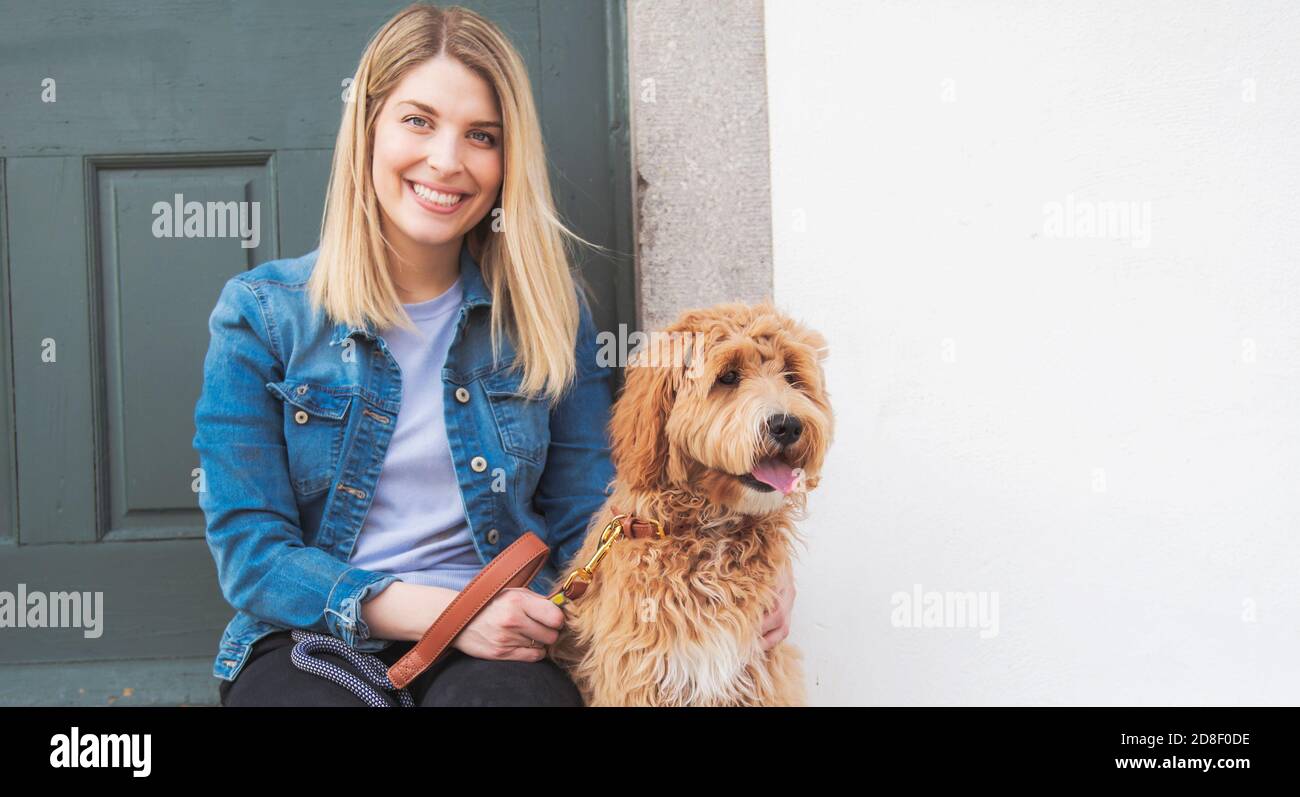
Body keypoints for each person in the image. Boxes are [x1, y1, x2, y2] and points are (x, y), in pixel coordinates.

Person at [192, 2, 795, 707]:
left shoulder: (545, 313)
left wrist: (744, 566)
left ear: (509, 160)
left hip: (512, 632)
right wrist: (450, 614)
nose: (446, 160)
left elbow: (592, 513)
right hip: (316, 637)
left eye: (481, 135)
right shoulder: (262, 314)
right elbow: (253, 556)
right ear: (367, 130)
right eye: (418, 121)